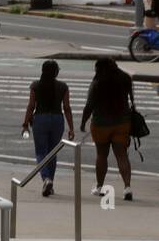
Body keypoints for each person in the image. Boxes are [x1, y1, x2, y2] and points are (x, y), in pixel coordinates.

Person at [80, 58, 134, 202]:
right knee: (122, 155)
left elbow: (89, 106)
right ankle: (127, 187)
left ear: (100, 69)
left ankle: (99, 187)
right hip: (122, 123)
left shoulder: (97, 83)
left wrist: (83, 123)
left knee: (101, 155)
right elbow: (131, 99)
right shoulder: (125, 79)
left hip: (100, 124)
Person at [22, 60, 74, 197]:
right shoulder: (63, 86)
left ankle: (46, 179)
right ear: (56, 72)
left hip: (40, 119)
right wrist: (71, 128)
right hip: (57, 119)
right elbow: (67, 108)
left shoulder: (36, 85)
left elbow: (31, 106)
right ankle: (50, 183)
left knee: (41, 152)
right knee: (53, 152)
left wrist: (25, 123)